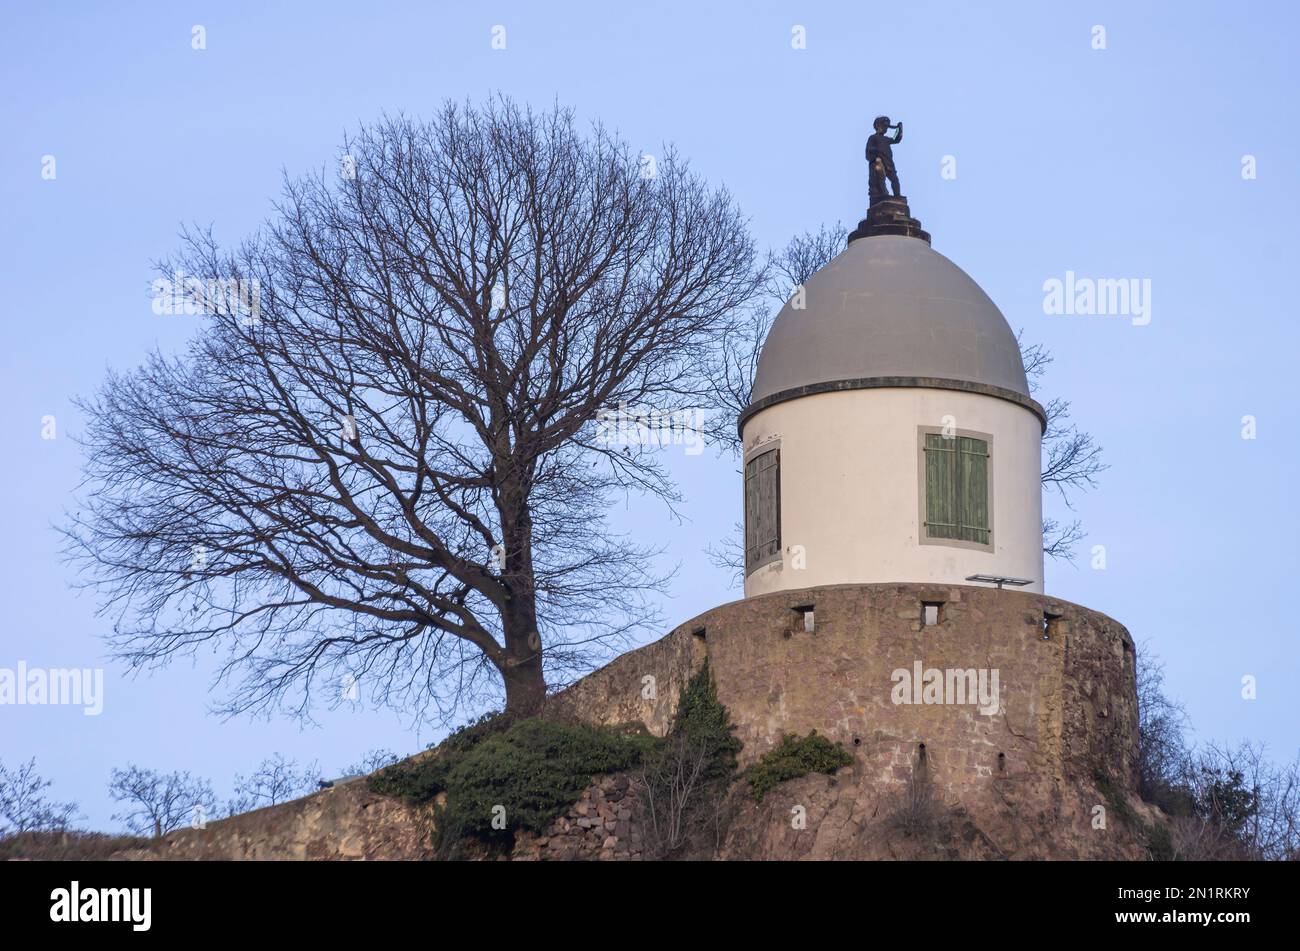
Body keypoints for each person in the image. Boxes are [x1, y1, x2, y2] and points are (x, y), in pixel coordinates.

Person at [866, 116, 903, 203]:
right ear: (878, 126)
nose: (886, 128)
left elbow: (896, 139)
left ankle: (897, 195)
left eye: (886, 127)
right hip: (879, 162)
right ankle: (883, 194)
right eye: (884, 126)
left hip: (888, 161)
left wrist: (899, 129)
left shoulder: (886, 139)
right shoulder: (873, 138)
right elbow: (868, 151)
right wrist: (876, 154)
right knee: (880, 179)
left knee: (894, 179)